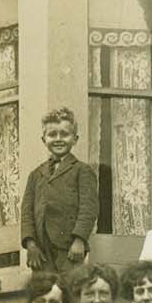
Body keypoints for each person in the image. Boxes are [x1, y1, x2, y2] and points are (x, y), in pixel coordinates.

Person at [21, 107, 98, 274]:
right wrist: (30, 244)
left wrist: (80, 240)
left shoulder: (82, 170)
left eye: (64, 134)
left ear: (75, 139)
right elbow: (26, 212)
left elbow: (88, 209)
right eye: (52, 134)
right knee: (44, 293)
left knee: (70, 292)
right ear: (43, 139)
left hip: (69, 249)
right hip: (41, 251)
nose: (58, 139)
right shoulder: (35, 174)